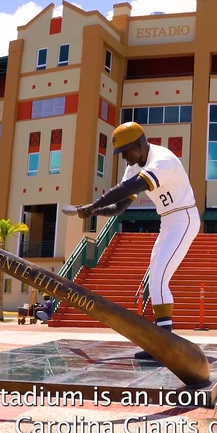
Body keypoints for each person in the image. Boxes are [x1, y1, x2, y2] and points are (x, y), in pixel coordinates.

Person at [73, 122, 199, 359]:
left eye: (127, 151)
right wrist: (95, 212)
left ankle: (164, 342)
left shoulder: (163, 158)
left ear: (140, 144)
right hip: (168, 221)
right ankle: (163, 339)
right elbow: (120, 207)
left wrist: (95, 203)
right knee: (155, 278)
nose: (124, 158)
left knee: (160, 277)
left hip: (184, 218)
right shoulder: (134, 165)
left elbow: (133, 186)